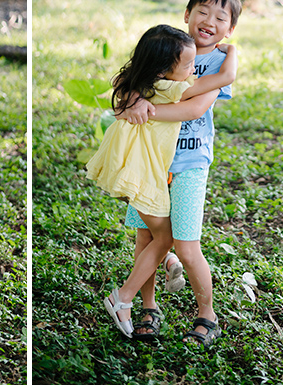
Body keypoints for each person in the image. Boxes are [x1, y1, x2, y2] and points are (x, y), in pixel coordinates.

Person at [89, 24, 237, 340]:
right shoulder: (172, 86)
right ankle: (131, 300)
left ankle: (157, 299)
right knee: (159, 238)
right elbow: (223, 79)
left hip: (152, 168)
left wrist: (140, 104)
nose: (193, 69)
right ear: (165, 70)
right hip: (151, 171)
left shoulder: (141, 84)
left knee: (164, 239)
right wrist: (234, 52)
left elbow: (126, 94)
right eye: (187, 65)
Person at [122, 0, 241, 347]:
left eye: (221, 17)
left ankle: (208, 314)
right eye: (203, 11)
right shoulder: (166, 47)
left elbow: (193, 108)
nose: (210, 21)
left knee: (187, 246)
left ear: (230, 28)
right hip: (152, 162)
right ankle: (148, 307)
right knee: (146, 238)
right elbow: (131, 80)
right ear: (187, 14)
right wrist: (131, 98)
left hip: (189, 162)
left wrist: (146, 109)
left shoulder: (220, 60)